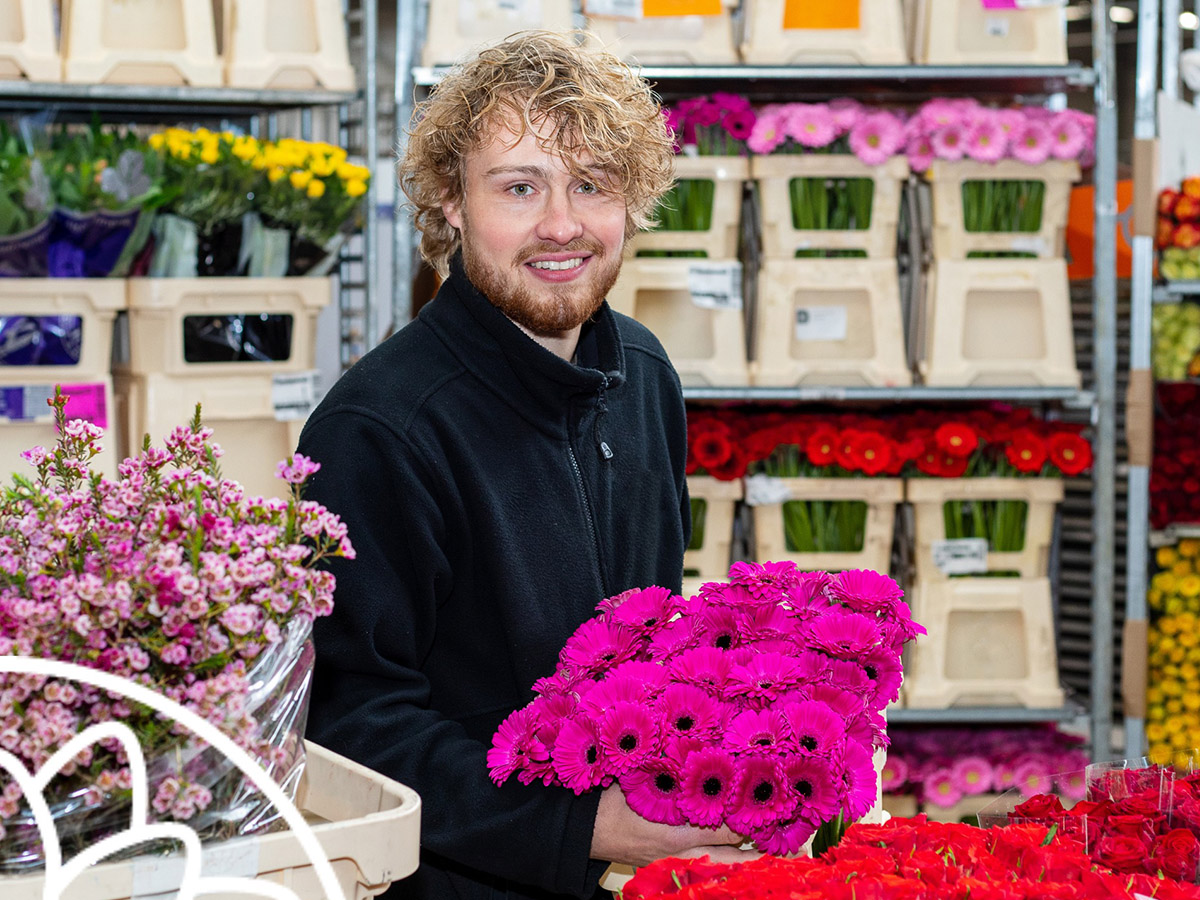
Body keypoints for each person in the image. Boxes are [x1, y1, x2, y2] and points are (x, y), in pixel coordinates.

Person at [297, 30, 753, 900]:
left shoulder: (644, 375)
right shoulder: (379, 430)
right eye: (519, 187)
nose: (561, 224)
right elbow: (351, 728)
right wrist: (587, 826)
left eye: (592, 184)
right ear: (451, 202)